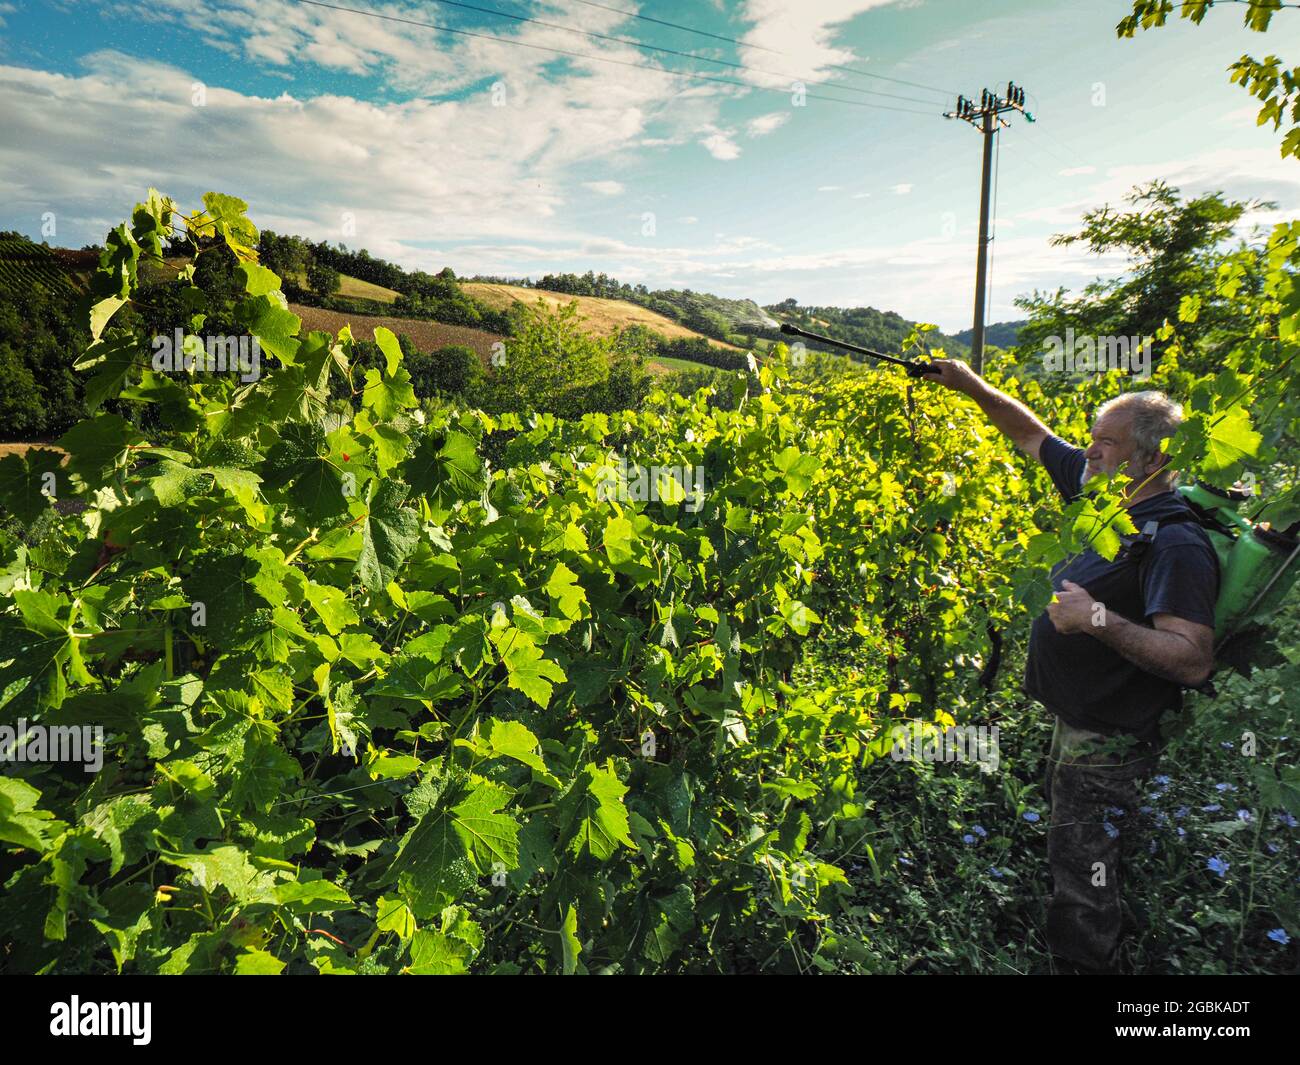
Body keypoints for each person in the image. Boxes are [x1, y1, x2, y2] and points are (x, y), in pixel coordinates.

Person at [926, 359, 1219, 974]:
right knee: (1086, 853)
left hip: (1110, 742)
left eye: (1105, 442)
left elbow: (1192, 660)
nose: (1089, 450)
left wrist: (1097, 620)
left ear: (1152, 460)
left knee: (1083, 878)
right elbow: (1029, 435)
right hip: (1079, 724)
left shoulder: (1174, 541)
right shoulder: (1103, 497)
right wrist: (970, 385)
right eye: (1092, 437)